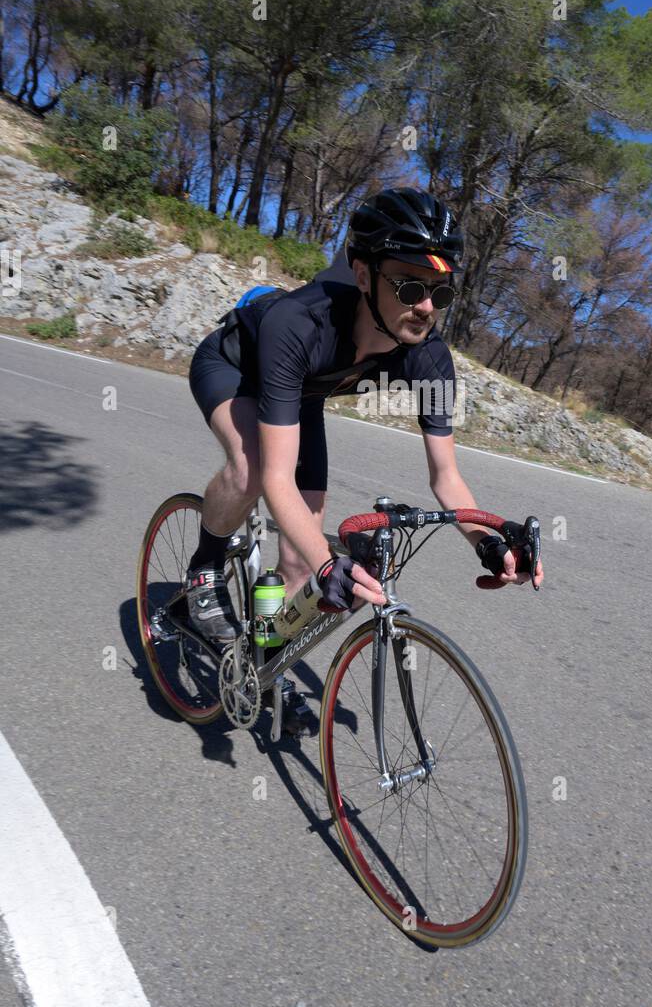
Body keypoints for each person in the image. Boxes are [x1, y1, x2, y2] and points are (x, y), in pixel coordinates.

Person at [185, 187, 543, 727]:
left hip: (302, 394)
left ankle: (261, 646)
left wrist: (487, 542)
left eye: (441, 294)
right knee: (254, 469)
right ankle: (204, 572)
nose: (426, 307)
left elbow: (446, 478)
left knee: (300, 561)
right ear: (362, 274)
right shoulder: (299, 322)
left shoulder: (431, 361)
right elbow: (278, 478)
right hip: (234, 365)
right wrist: (335, 563)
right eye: (410, 286)